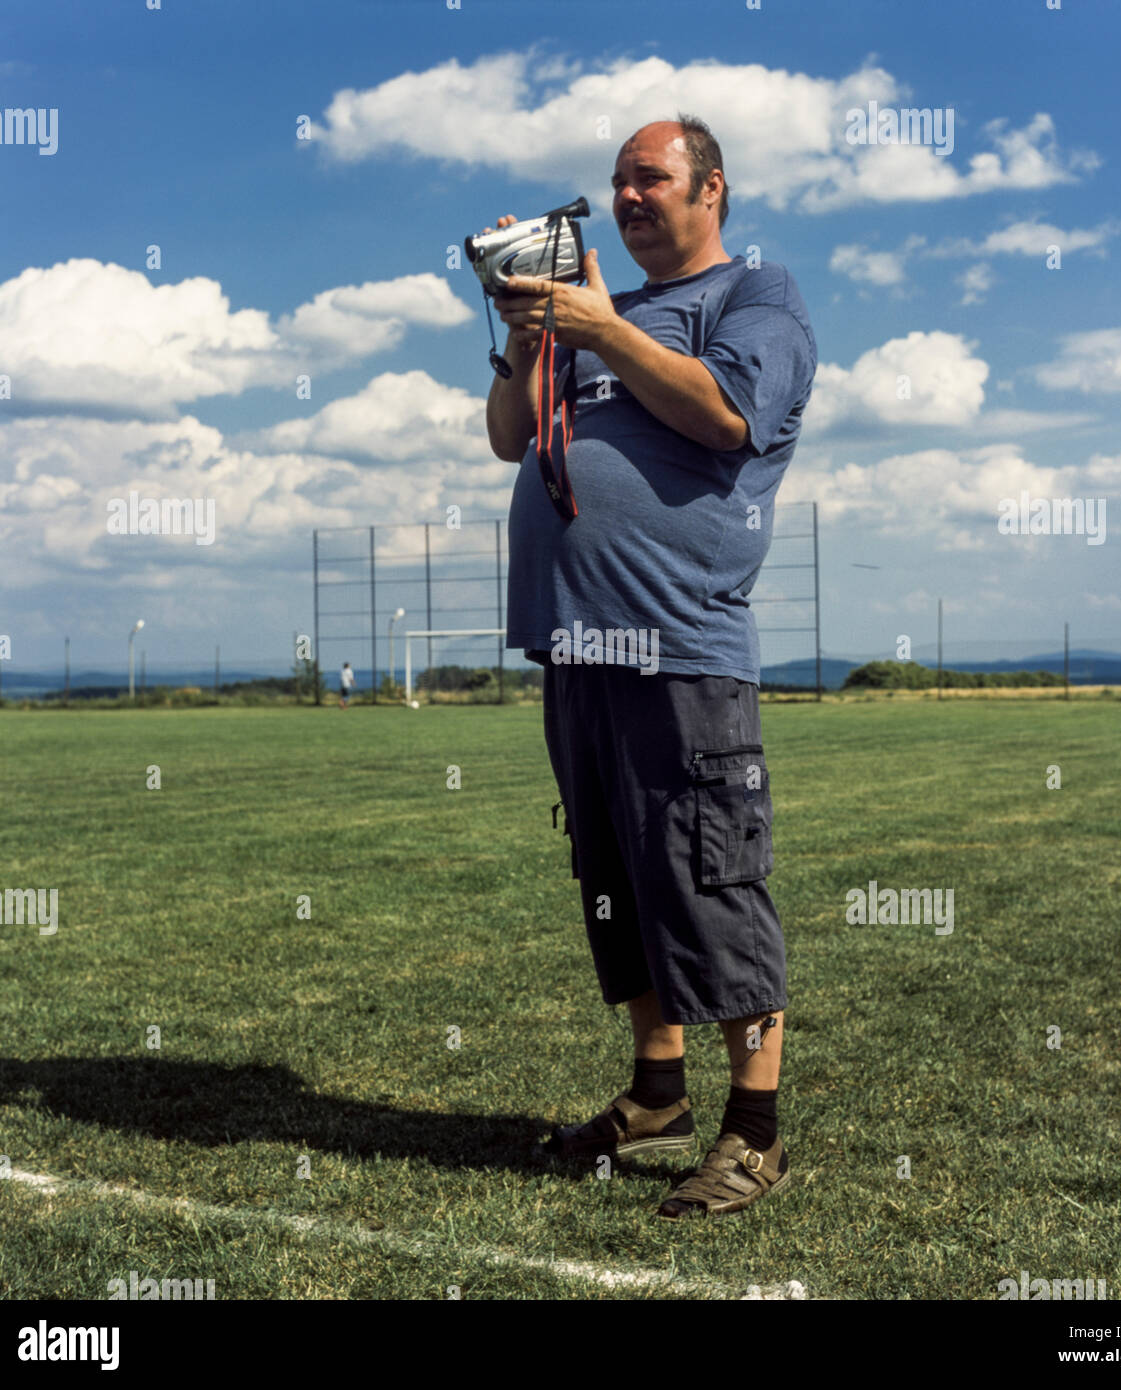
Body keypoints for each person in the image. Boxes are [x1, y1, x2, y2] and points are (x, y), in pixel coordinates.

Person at [486, 114, 817, 1218]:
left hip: (681, 640)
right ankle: (657, 1091)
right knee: (616, 877)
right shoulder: (593, 319)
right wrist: (533, 336)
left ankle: (756, 1131)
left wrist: (602, 330)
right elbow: (507, 436)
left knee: (706, 876)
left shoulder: (755, 296)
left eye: (651, 177)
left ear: (710, 189)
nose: (628, 197)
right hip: (578, 638)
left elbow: (725, 417)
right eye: (617, 181)